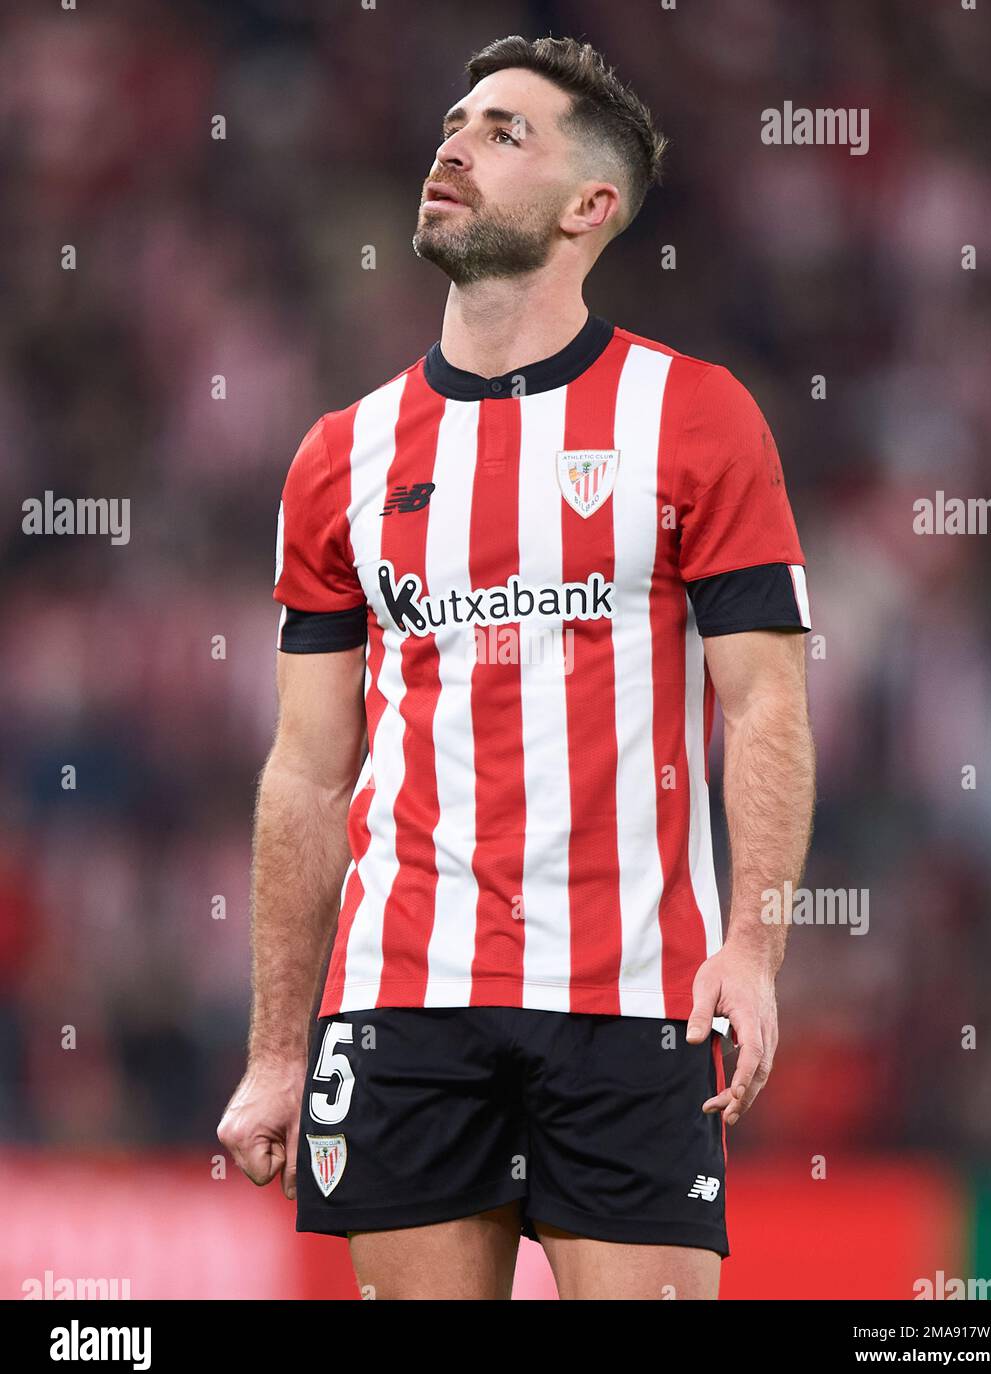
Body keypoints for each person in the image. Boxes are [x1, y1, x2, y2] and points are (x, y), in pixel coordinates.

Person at [218, 34, 815, 1301]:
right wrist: (278, 1053)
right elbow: (308, 771)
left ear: (587, 207)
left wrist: (753, 948)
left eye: (504, 133)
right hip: (403, 997)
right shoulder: (339, 455)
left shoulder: (695, 416)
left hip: (634, 997)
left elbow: (762, 701)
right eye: (454, 120)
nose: (453, 144)